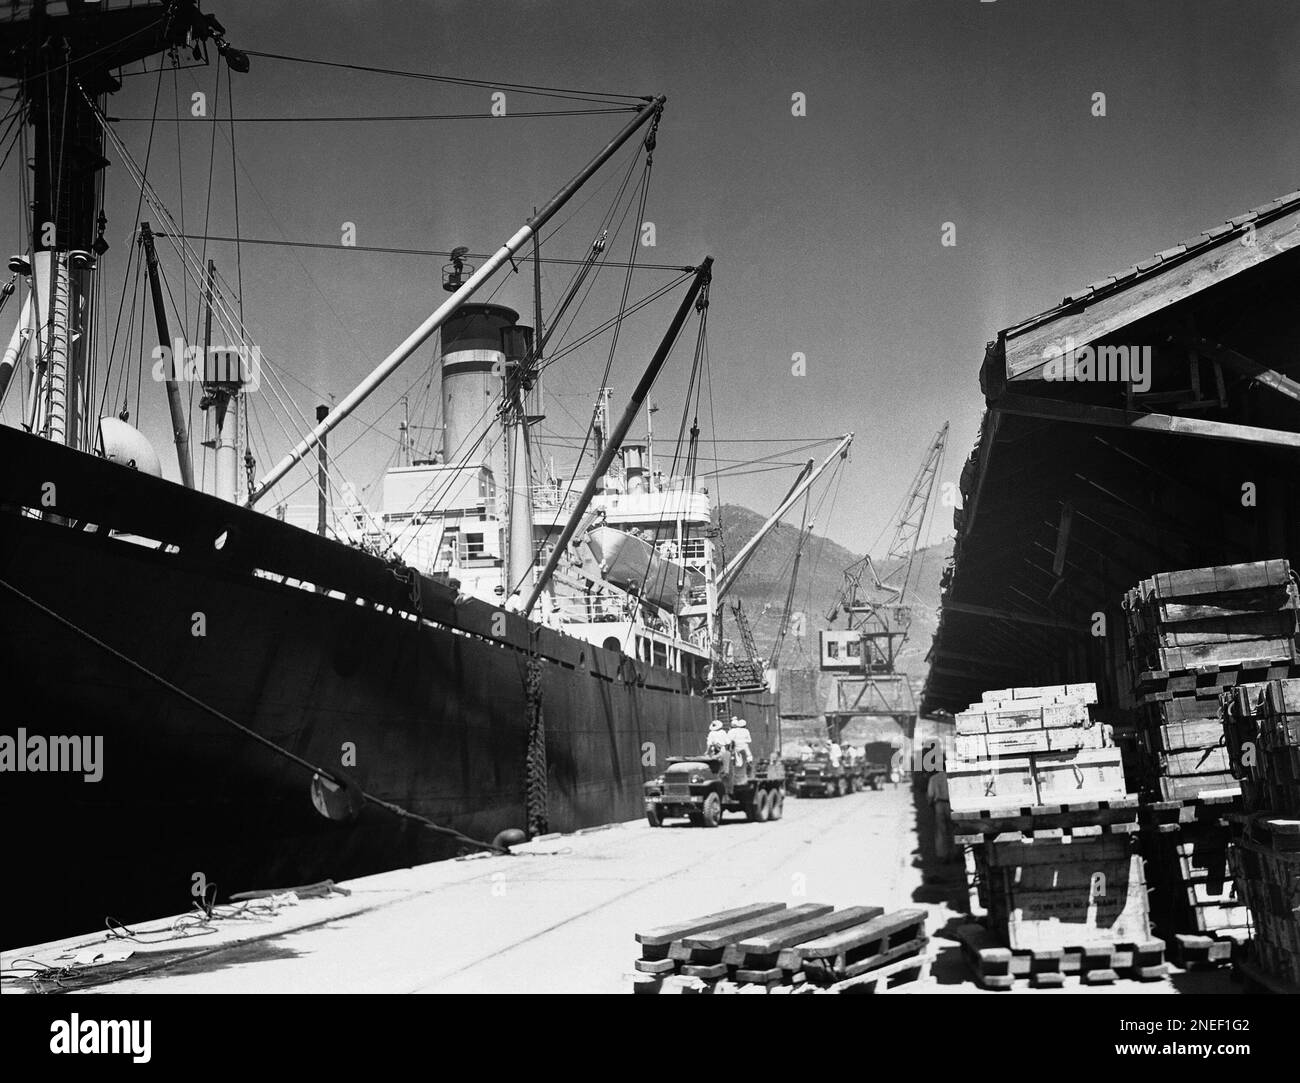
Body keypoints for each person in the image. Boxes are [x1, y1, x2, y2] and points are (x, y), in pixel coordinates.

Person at [927, 755, 953, 860]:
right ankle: (956, 854)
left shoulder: (934, 778)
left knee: (941, 831)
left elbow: (930, 794)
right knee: (953, 829)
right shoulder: (951, 777)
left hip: (939, 805)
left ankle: (943, 855)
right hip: (951, 805)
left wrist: (930, 805)